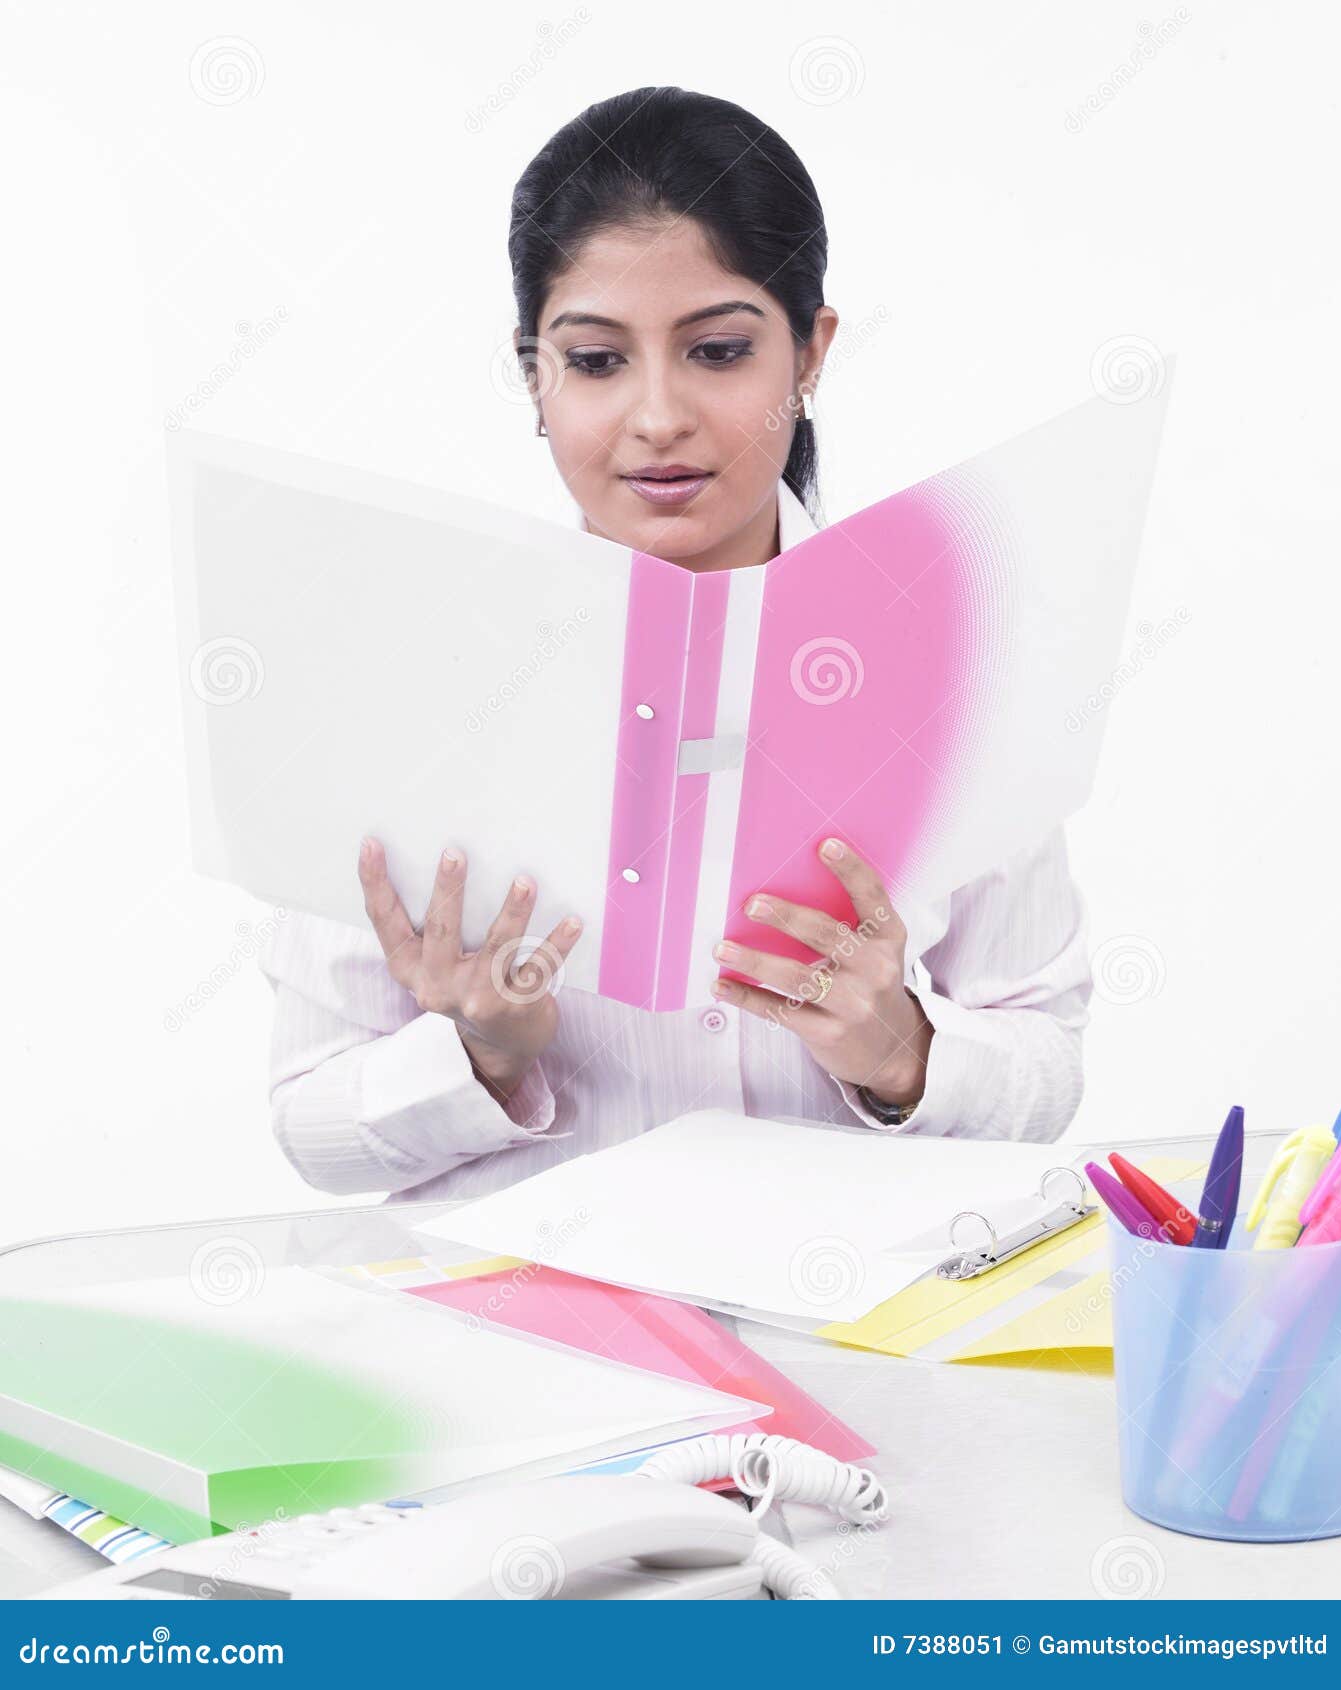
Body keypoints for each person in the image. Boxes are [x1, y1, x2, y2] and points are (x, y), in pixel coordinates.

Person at [259, 86, 1093, 1206]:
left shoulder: (953, 661)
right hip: (530, 1352)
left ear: (809, 352)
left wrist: (900, 1050)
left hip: (850, 1344)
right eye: (597, 360)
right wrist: (480, 1054)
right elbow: (310, 1122)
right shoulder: (414, 685)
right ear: (534, 374)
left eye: (717, 350)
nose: (659, 416)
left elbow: (1046, 1062)